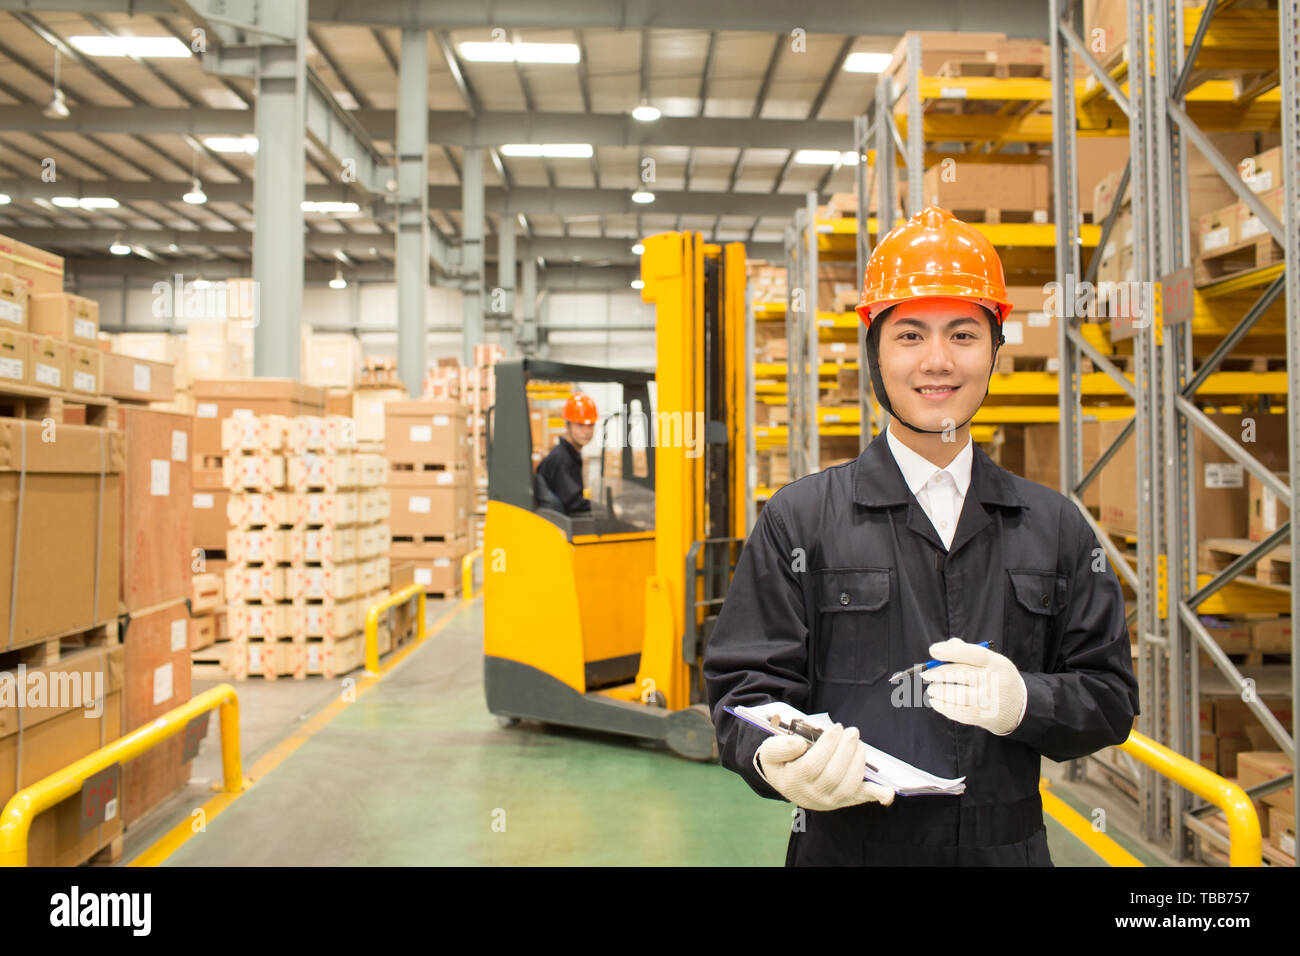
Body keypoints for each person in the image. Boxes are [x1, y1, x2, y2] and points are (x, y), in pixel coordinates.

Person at [704, 206, 1140, 866]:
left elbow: (1109, 702)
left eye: (963, 334)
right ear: (875, 351)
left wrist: (1028, 700)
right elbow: (744, 691)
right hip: (848, 849)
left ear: (995, 350)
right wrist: (773, 760)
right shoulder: (801, 519)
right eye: (910, 335)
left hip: (1008, 851)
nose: (937, 361)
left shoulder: (1053, 526)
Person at [537, 391, 597, 516]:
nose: (586, 431)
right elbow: (574, 504)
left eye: (590, 425)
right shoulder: (562, 458)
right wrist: (602, 509)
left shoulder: (569, 454)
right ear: (567, 425)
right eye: (580, 425)